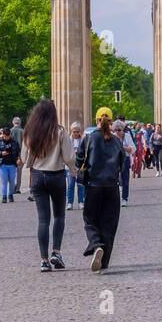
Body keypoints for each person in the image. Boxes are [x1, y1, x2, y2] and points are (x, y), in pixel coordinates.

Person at [20, 98, 79, 272]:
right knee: (59, 215)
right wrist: (76, 174)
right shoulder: (59, 131)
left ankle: (44, 259)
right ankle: (56, 251)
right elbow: (69, 157)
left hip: (38, 176)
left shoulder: (31, 132)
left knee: (43, 219)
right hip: (56, 175)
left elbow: (25, 158)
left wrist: (32, 161)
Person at [78, 107, 125, 272]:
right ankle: (103, 262)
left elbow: (79, 159)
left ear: (96, 120)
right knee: (109, 224)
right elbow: (122, 163)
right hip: (112, 187)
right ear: (111, 122)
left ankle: (96, 244)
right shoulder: (117, 141)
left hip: (93, 186)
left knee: (90, 220)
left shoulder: (89, 139)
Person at [0, 128, 20, 202]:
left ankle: (10, 195)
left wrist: (18, 158)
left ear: (10, 135)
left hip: (12, 164)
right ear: (2, 135)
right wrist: (0, 153)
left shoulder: (15, 142)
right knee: (4, 181)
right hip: (2, 164)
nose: (5, 137)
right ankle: (4, 197)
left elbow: (18, 152)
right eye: (4, 135)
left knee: (12, 181)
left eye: (7, 136)